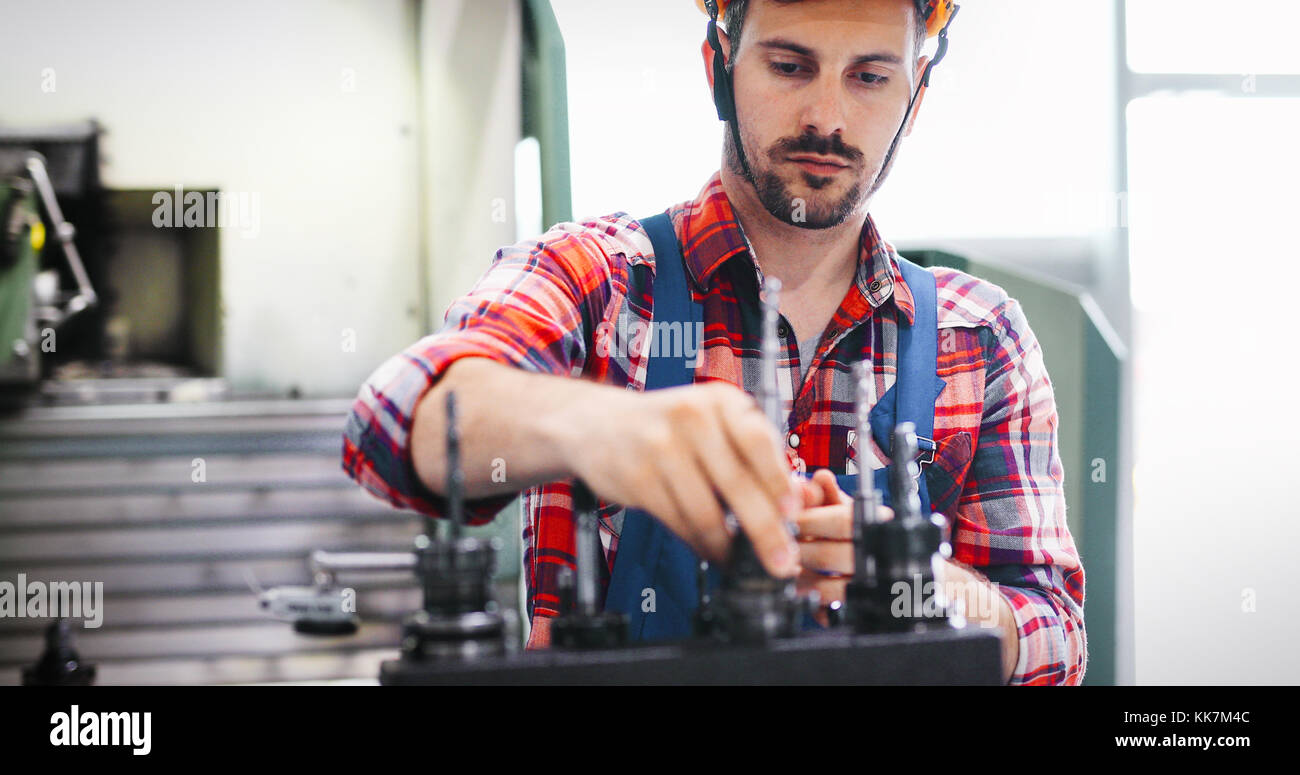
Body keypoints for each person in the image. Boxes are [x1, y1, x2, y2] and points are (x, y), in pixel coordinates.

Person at [343, 0, 1086, 685]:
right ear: (718, 70)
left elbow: (1058, 637)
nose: (827, 116)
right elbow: (390, 420)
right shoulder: (596, 281)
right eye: (790, 66)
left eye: (869, 76)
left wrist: (925, 587)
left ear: (915, 96)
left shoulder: (980, 339)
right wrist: (601, 427)